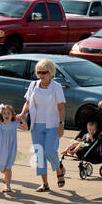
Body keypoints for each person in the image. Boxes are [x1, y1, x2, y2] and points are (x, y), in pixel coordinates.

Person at [17, 58, 66, 192]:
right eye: (39, 72)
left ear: (51, 73)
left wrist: (61, 124)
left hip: (52, 125)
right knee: (39, 154)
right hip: (36, 125)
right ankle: (45, 184)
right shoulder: (33, 85)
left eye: (44, 72)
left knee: (50, 151)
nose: (41, 75)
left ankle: (58, 169)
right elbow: (27, 103)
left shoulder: (56, 87)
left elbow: (61, 107)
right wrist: (21, 115)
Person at [0, 103, 20, 194]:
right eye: (4, 113)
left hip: (11, 148)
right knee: (2, 169)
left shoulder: (14, 124)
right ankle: (6, 178)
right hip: (0, 149)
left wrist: (20, 119)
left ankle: (8, 186)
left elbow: (26, 127)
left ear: (12, 115)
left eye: (9, 113)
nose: (6, 115)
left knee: (8, 167)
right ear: (1, 115)